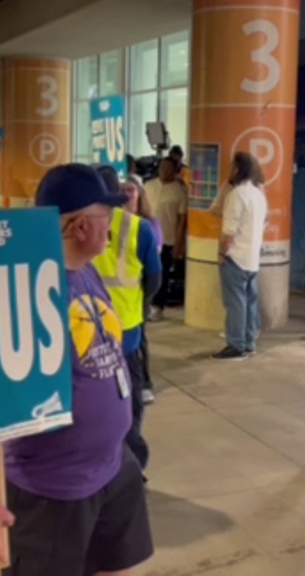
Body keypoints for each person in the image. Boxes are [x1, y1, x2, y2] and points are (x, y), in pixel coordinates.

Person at [0, 164, 154, 576]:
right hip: (53, 491)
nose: (115, 223)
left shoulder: (87, 272)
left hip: (114, 468)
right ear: (82, 225)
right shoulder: (26, 292)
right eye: (108, 215)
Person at [94, 166, 161, 469]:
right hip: (128, 330)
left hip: (87, 331)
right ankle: (132, 463)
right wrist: (140, 301)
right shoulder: (139, 229)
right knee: (129, 401)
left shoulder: (75, 226)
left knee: (93, 401)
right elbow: (155, 277)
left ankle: (105, 460)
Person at [213, 152, 268, 360]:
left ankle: (235, 346)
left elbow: (229, 231)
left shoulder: (236, 195)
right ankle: (248, 343)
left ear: (237, 169)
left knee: (234, 303)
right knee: (249, 302)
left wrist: (221, 253)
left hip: (235, 257)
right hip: (252, 257)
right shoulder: (258, 194)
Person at [120, 179, 161, 405]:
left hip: (137, 296)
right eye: (122, 190)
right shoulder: (111, 223)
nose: (127, 194)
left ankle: (145, 384)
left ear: (140, 194)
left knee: (138, 344)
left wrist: (145, 298)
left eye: (131, 190)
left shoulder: (147, 225)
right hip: (121, 299)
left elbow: (154, 270)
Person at [143, 157, 188, 320]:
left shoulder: (179, 191)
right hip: (147, 236)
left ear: (175, 170)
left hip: (167, 240)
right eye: (162, 167)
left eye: (169, 168)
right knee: (144, 272)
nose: (165, 170)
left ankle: (158, 306)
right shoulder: (148, 186)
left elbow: (182, 221)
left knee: (160, 274)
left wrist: (179, 244)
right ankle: (145, 304)